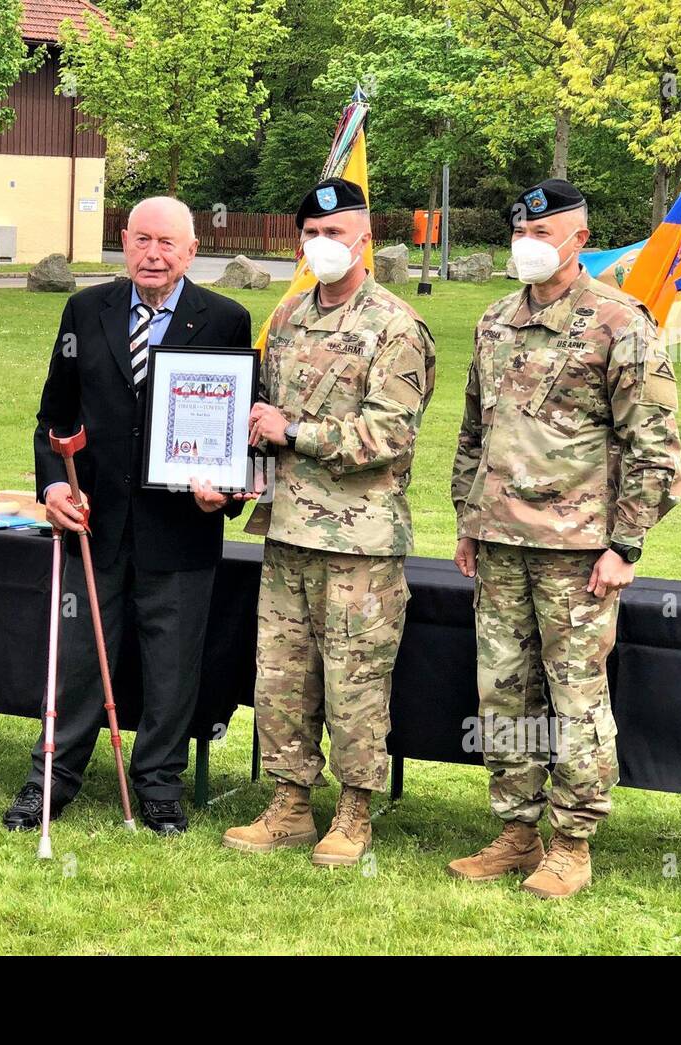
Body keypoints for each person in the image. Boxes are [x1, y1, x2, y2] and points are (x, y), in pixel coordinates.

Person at [447, 178, 681, 898]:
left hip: (578, 553)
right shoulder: (494, 321)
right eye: (521, 234)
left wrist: (626, 545)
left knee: (575, 697)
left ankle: (572, 842)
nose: (528, 246)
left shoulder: (620, 322)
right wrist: (467, 517)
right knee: (504, 694)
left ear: (580, 241)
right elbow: (473, 431)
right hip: (497, 544)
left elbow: (656, 449)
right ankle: (517, 830)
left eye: (542, 235)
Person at [2, 196, 252, 835]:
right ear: (124, 241)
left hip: (181, 529)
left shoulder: (226, 318)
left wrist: (221, 490)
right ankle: (51, 779)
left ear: (192, 251)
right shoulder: (87, 309)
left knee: (172, 665)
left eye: (168, 243)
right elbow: (53, 417)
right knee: (80, 656)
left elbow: (237, 428)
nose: (154, 254)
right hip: (93, 523)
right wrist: (54, 485)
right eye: (142, 240)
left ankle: (160, 786)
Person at [222, 178, 436, 867]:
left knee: (355, 679)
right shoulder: (286, 319)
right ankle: (289, 801)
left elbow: (388, 435)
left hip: (360, 539)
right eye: (312, 234)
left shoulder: (396, 326)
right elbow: (260, 418)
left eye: (336, 233)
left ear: (364, 239)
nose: (323, 245)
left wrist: (294, 432)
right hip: (286, 530)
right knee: (281, 675)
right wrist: (238, 458)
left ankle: (354, 809)